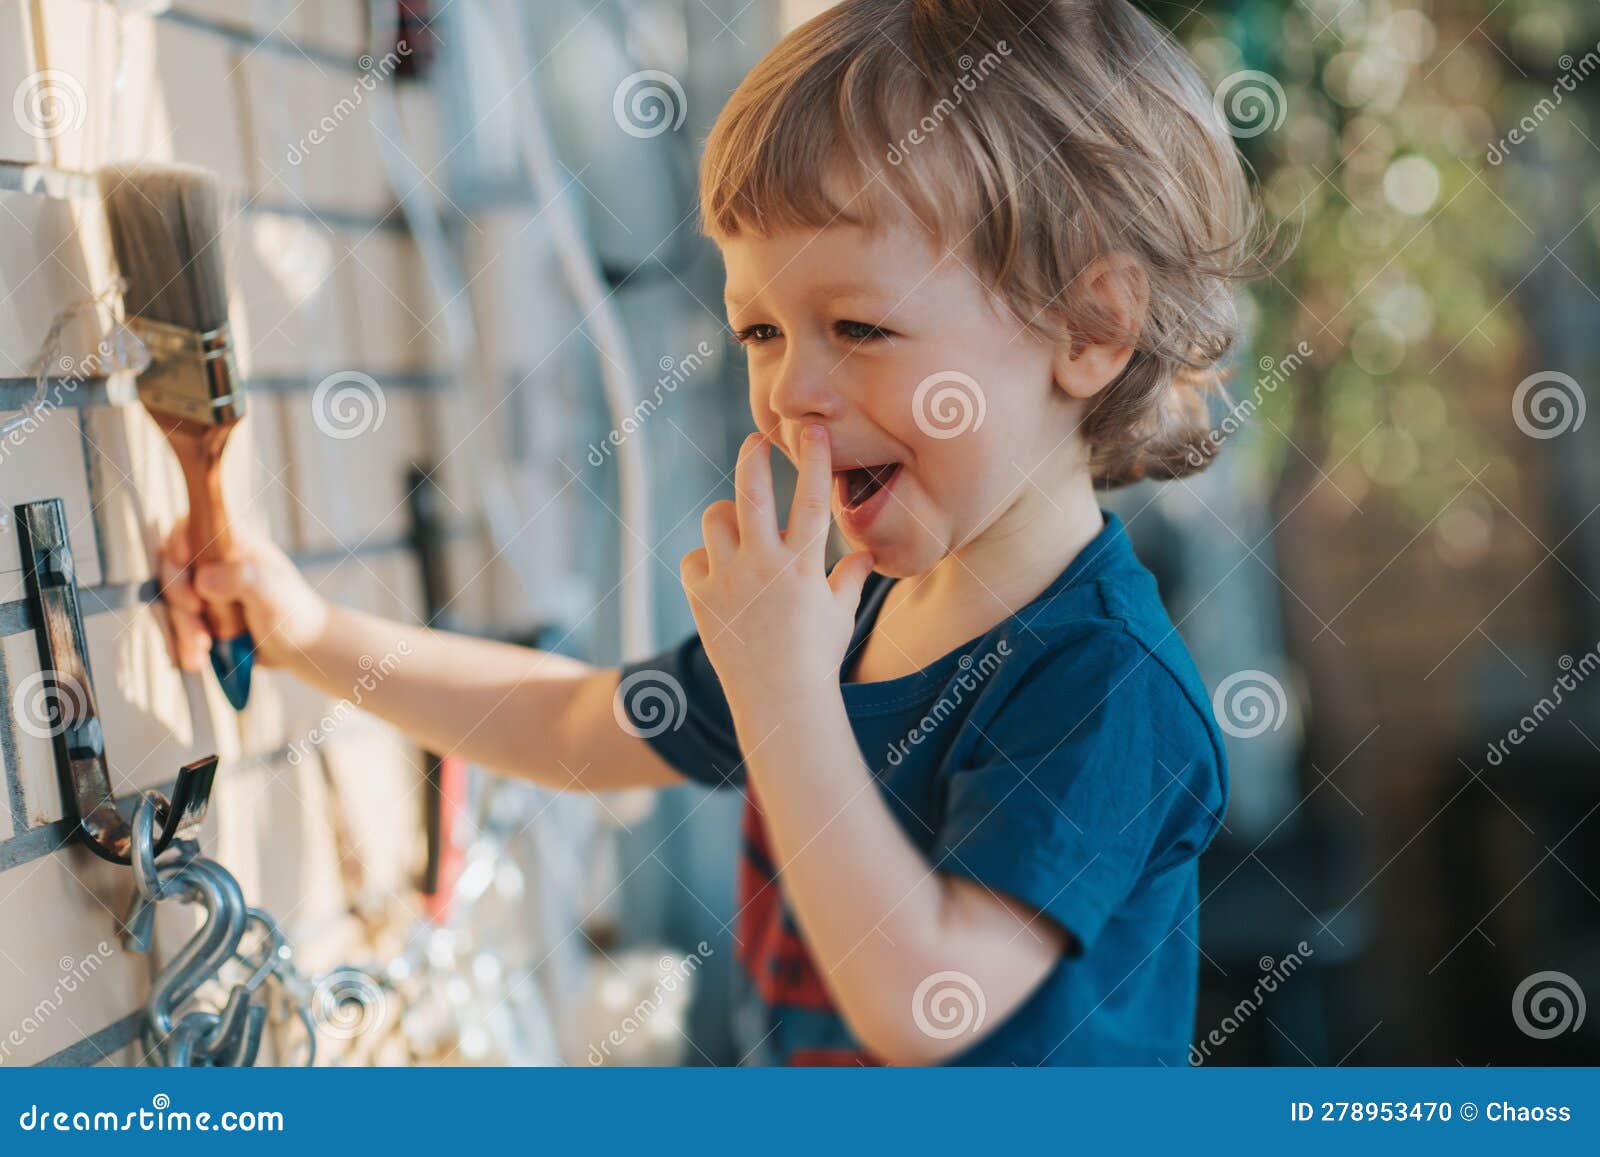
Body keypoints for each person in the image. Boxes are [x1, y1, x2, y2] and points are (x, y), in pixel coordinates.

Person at [164, 0, 1268, 1065]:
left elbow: (923, 1000)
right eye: (760, 328)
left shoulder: (1103, 683)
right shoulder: (842, 616)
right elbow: (573, 724)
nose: (792, 389)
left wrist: (782, 691)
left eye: (858, 326)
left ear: (1089, 329)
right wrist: (305, 628)